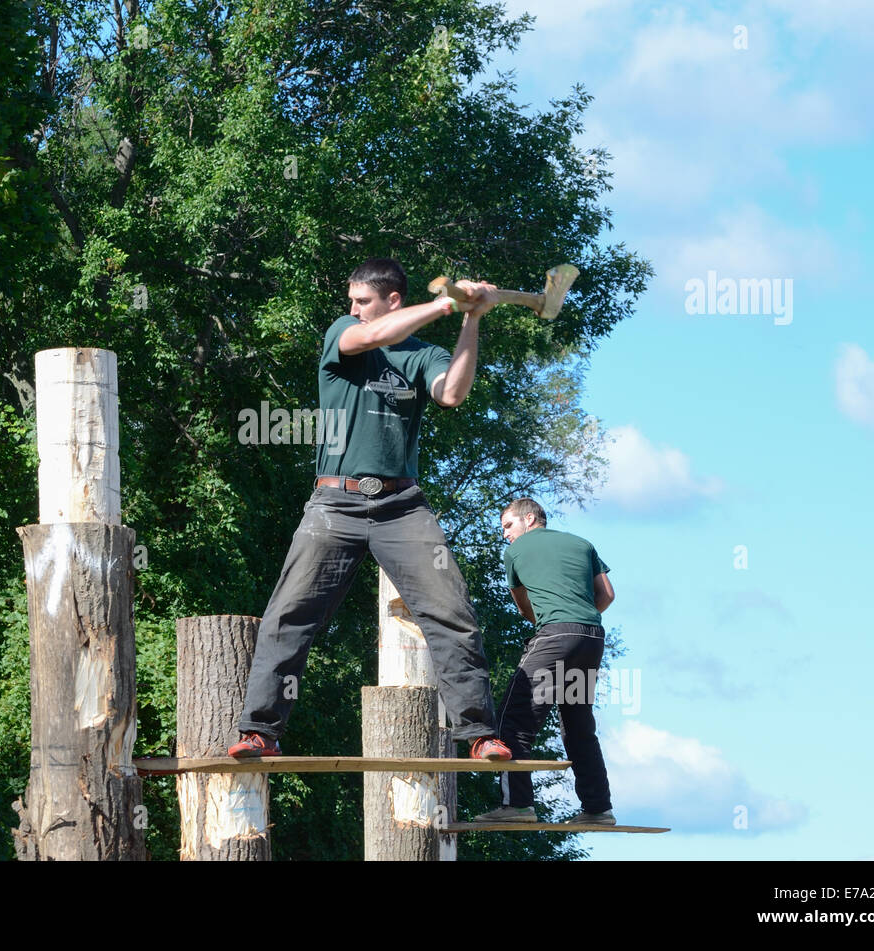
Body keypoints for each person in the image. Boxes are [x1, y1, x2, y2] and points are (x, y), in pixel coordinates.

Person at [228, 257, 514, 760]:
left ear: (392, 299)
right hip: (333, 503)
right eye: (353, 300)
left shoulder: (423, 355)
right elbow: (366, 338)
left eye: (363, 301)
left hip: (402, 505)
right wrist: (448, 301)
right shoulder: (346, 332)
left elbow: (452, 394)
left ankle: (479, 735)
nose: (353, 308)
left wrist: (471, 319)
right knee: (290, 615)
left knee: (451, 612)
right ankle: (260, 732)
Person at [475, 497, 617, 825]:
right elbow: (607, 595)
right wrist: (580, 621)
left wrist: (557, 625)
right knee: (579, 726)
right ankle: (598, 810)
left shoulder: (515, 552)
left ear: (529, 518)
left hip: (555, 637)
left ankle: (518, 806)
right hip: (592, 638)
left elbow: (524, 607)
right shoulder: (583, 544)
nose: (506, 535)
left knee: (514, 721)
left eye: (508, 525)